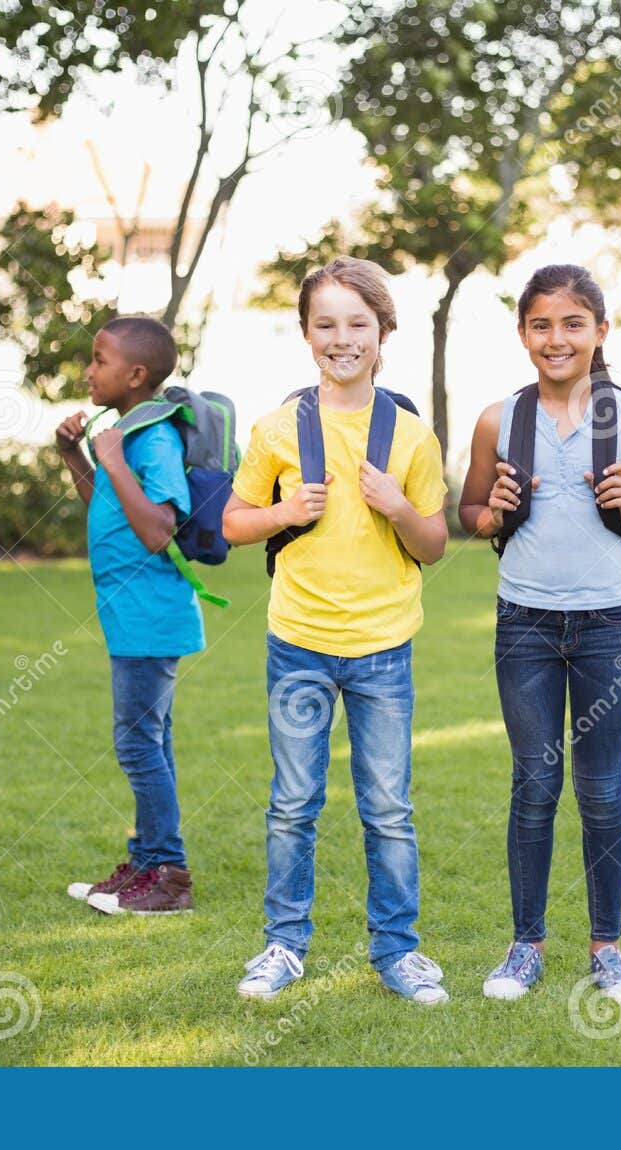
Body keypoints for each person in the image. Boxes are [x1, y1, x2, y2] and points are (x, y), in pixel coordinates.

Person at [223, 257, 450, 1003]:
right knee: (294, 802)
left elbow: (434, 543)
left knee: (388, 806)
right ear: (306, 334)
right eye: (326, 324)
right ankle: (284, 945)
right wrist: (286, 513)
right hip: (299, 644)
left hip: (383, 648)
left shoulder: (412, 435)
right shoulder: (277, 428)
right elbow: (233, 521)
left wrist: (398, 507)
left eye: (358, 324)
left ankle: (397, 951)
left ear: (384, 332)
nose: (342, 338)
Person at [458, 263, 621, 1004]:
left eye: (572, 323)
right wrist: (492, 508)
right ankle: (525, 945)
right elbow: (471, 516)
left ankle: (607, 946)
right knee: (534, 782)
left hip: (607, 624)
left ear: (600, 332)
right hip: (523, 622)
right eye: (541, 324)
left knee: (600, 787)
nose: (557, 338)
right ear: (523, 333)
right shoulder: (499, 418)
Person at [56, 316, 201, 915]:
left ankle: (169, 876)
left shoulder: (154, 439)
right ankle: (145, 866)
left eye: (99, 359)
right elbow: (110, 508)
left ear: (135, 374)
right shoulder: (125, 435)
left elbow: (159, 529)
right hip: (130, 614)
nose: (89, 370)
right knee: (150, 743)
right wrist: (76, 457)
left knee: (138, 746)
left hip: (150, 615)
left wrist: (111, 458)